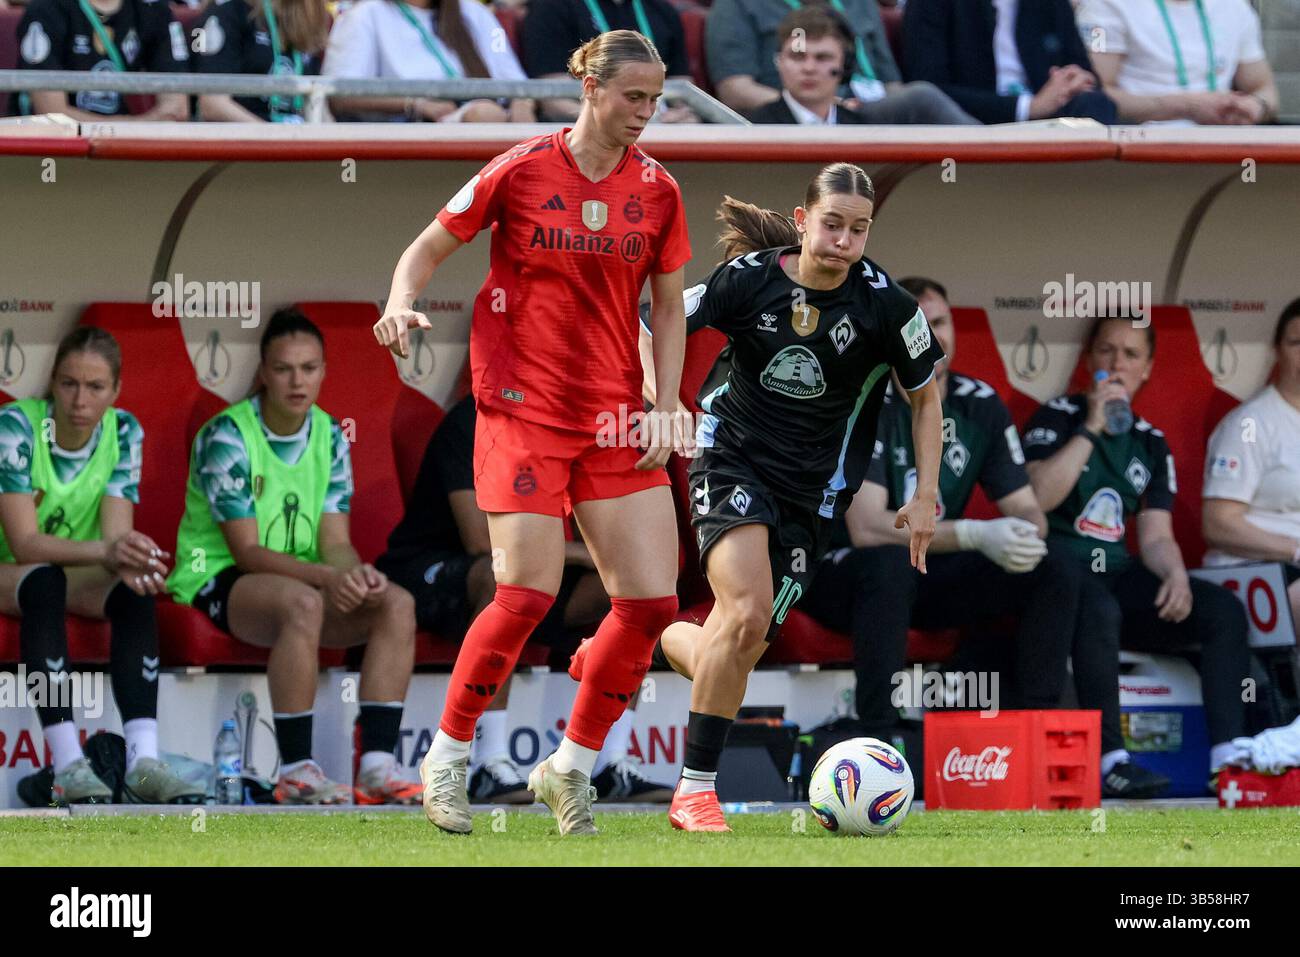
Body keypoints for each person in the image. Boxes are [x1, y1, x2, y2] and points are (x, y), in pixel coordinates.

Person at [374, 30, 692, 836]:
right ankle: (446, 759)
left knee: (652, 602)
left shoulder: (659, 190)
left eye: (655, 101)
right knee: (524, 594)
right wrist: (399, 300)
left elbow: (668, 304)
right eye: (633, 98)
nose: (645, 114)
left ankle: (569, 767)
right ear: (590, 87)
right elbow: (427, 246)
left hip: (616, 414)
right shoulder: (520, 168)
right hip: (521, 408)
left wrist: (666, 400)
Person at [596, 169, 946, 832]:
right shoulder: (749, 278)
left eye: (859, 228)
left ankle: (629, 644)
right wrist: (663, 400)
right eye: (832, 223)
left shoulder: (887, 306)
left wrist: (926, 493)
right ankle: (695, 793)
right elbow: (648, 321)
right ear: (804, 217)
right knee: (747, 609)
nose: (844, 239)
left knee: (734, 645)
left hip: (815, 498)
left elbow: (925, 396)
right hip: (730, 457)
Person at [801, 277, 1095, 769]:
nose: (931, 337)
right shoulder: (860, 398)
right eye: (917, 325)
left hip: (923, 572)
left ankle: (1034, 733)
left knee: (1054, 567)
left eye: (940, 324)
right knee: (888, 566)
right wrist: (977, 534)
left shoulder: (977, 402)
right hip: (839, 574)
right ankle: (878, 742)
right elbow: (869, 527)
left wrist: (1024, 533)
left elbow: (1026, 507)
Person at [168, 309, 420, 806]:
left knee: (397, 602)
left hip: (305, 579)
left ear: (324, 371)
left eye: (308, 368)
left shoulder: (328, 434)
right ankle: (297, 770)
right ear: (263, 372)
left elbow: (335, 542)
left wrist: (354, 574)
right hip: (216, 576)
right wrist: (328, 577)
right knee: (303, 603)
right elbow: (247, 551)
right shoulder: (228, 435)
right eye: (284, 369)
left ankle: (376, 769)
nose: (297, 381)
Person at [376, 395, 675, 802]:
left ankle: (607, 763)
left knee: (635, 586)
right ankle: (488, 762)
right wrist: (584, 554)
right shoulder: (473, 421)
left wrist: (599, 558)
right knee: (505, 577)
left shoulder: (584, 419)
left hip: (539, 570)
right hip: (436, 570)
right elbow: (482, 543)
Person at [1024, 316, 1258, 788]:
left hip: (1116, 570)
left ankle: (1228, 760)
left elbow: (1155, 535)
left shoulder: (1150, 441)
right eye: (1108, 351)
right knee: (1097, 603)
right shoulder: (1056, 415)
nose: (1117, 364)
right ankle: (1112, 761)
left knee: (1223, 611)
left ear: (1147, 368)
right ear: (1090, 359)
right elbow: (1037, 500)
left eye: (1131, 355)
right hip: (1055, 577)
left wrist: (1175, 575)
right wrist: (1089, 428)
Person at [0, 327, 202, 805]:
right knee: (43, 581)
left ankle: (144, 763)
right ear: (52, 382)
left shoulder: (124, 430)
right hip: (11, 569)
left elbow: (116, 539)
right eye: (69, 383)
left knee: (136, 587)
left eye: (95, 387)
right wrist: (109, 551)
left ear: (114, 391)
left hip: (64, 571)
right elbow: (25, 543)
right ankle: (68, 763)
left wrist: (132, 556)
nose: (79, 400)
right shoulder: (16, 425)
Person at [705, 0, 975, 123]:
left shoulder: (860, 4)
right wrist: (815, 103)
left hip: (870, 106)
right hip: (797, 111)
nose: (809, 63)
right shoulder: (737, 5)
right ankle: (997, 152)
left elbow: (891, 82)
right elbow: (735, 88)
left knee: (918, 99)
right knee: (922, 97)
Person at [1202, 298, 1300, 638]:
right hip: (1252, 571)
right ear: (1277, 350)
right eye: (1296, 343)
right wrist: (1297, 549)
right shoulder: (1251, 423)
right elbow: (1218, 525)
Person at [902, 0, 1117, 125]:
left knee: (1095, 104)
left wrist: (1076, 79)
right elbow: (927, 89)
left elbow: (1083, 69)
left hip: (1050, 121)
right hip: (972, 122)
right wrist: (1027, 108)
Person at [324, 0, 536, 122]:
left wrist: (523, 106)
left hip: (491, 124)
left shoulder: (475, 12)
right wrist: (415, 105)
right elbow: (341, 95)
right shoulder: (363, 16)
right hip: (410, 133)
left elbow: (515, 83)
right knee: (482, 114)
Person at [1074, 0, 1279, 125]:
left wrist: (1255, 107)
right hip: (1144, 145)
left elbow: (1265, 90)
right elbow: (1094, 94)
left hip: (1225, 144)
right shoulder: (1104, 7)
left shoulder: (1235, 7)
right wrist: (1184, 107)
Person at [520, 0, 700, 123]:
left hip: (660, 126)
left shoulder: (662, 10)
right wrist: (610, 122)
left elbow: (683, 89)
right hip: (590, 135)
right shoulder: (551, 7)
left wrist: (684, 117)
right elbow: (553, 100)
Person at [16, 0, 189, 121]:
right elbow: (52, 116)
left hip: (125, 149)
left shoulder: (155, 9)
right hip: (57, 151)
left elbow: (177, 109)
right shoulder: (45, 9)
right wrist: (141, 126)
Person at [195, 0, 330, 122]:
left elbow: (317, 105)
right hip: (247, 141)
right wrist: (271, 137)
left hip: (294, 138)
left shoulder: (306, 15)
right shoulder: (230, 10)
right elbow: (212, 104)